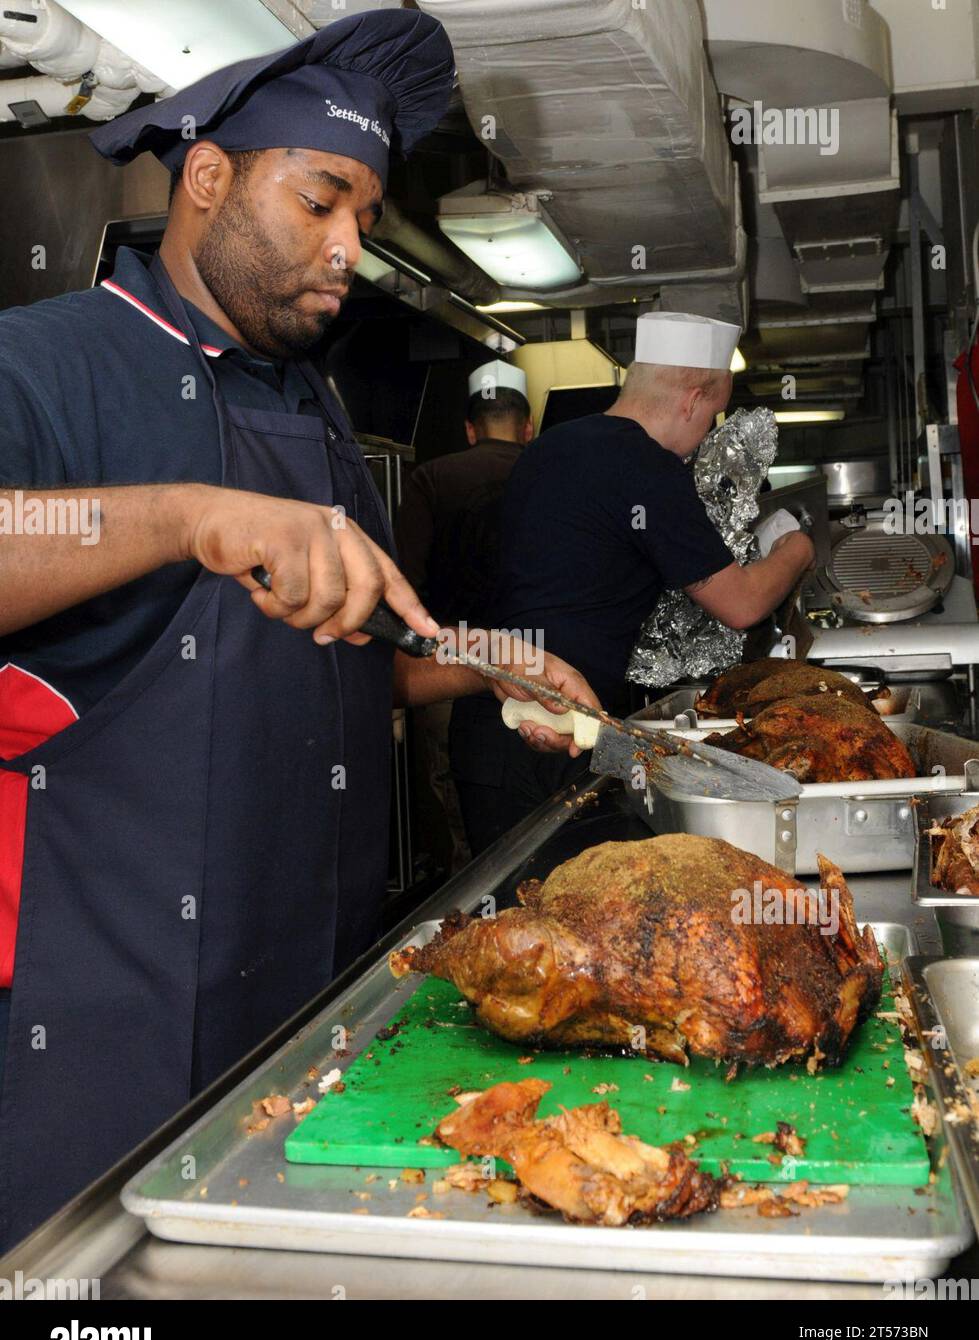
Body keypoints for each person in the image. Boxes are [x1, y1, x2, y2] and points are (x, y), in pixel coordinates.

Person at [0, 11, 597, 1252]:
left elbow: (316, 677)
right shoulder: (50, 366)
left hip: (306, 989)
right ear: (206, 178)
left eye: (363, 218)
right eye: (321, 199)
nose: (347, 248)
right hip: (105, 1022)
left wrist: (480, 667)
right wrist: (184, 516)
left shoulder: (310, 402)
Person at [450, 311, 816, 853]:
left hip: (488, 726)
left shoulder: (551, 446)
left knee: (511, 915)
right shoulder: (649, 467)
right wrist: (798, 548)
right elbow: (741, 604)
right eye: (711, 415)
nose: (704, 434)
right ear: (691, 399)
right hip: (553, 730)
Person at [394, 360, 533, 872]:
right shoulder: (550, 471)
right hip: (545, 669)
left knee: (463, 823)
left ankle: (472, 911)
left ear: (470, 429)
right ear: (528, 426)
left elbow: (404, 583)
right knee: (542, 807)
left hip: (448, 672)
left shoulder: (432, 478)